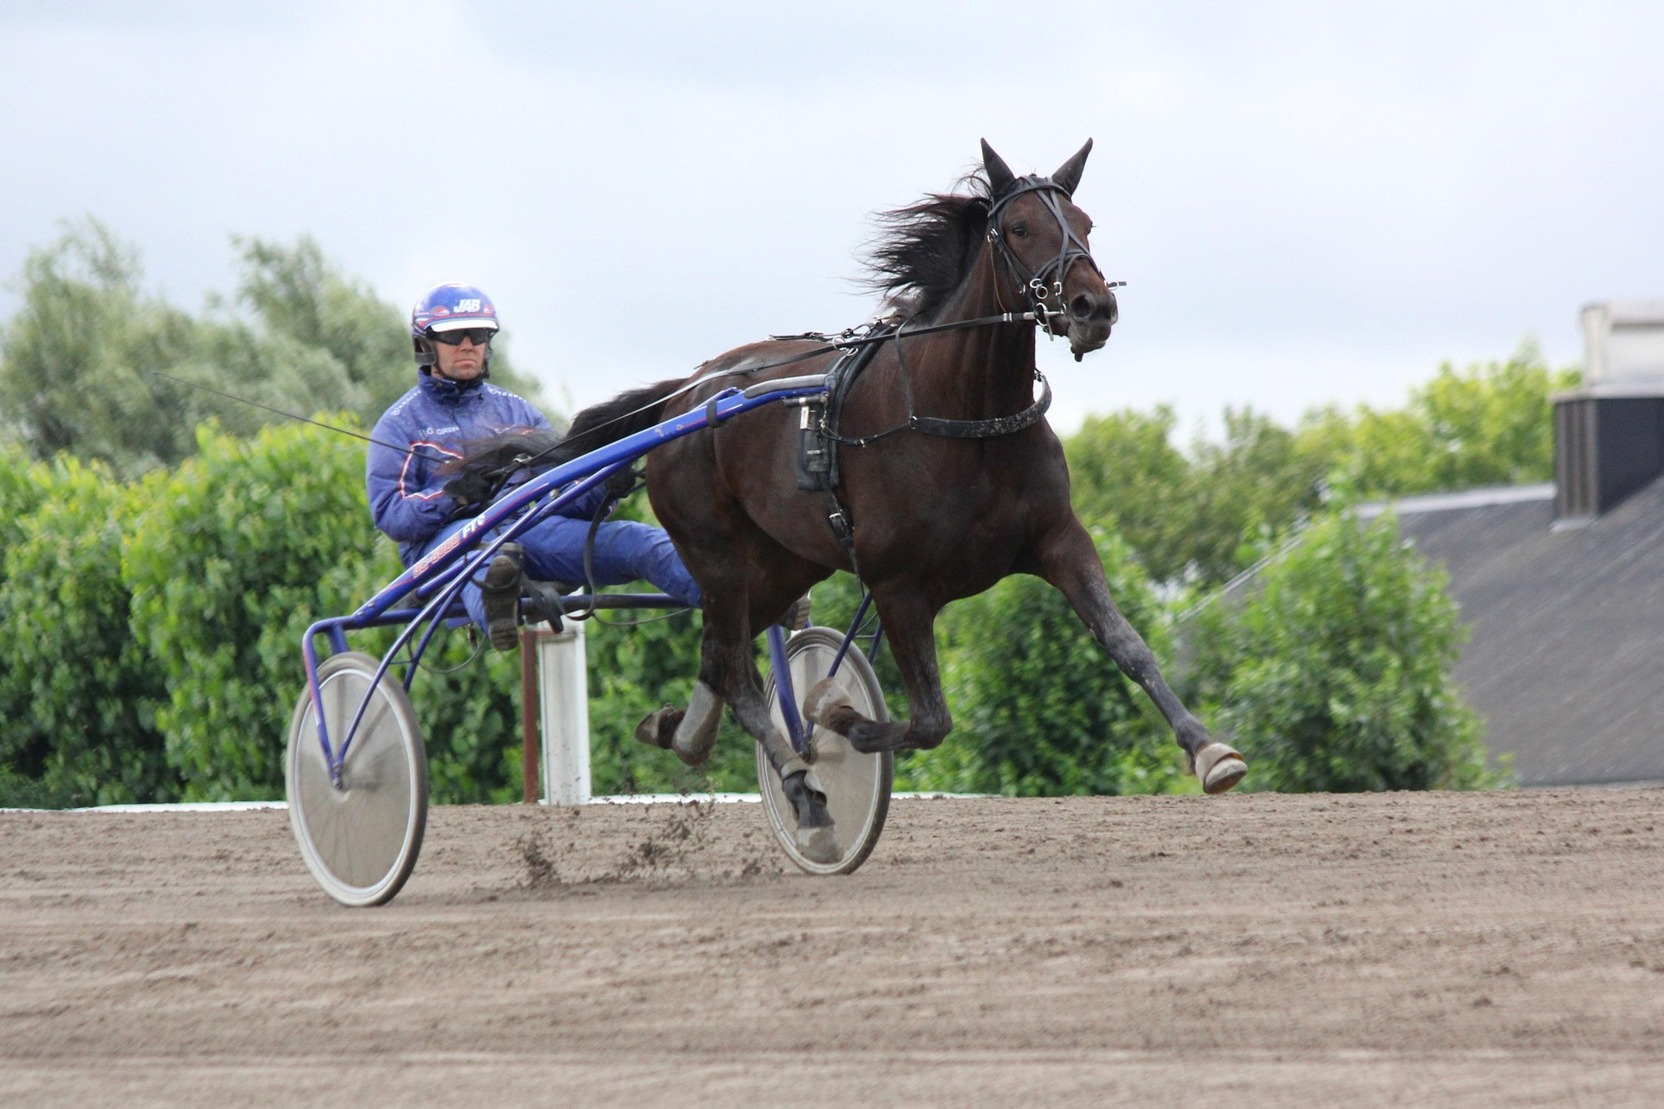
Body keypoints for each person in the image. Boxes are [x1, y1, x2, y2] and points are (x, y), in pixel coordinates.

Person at [366, 283, 701, 650]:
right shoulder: (399, 424)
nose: (467, 344)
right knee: (487, 550)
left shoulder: (519, 413)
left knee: (637, 540)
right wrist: (455, 498)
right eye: (452, 335)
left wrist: (603, 488)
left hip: (529, 530)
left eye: (478, 334)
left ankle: (737, 601)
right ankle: (500, 610)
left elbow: (564, 496)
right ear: (425, 345)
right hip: (445, 548)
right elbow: (390, 515)